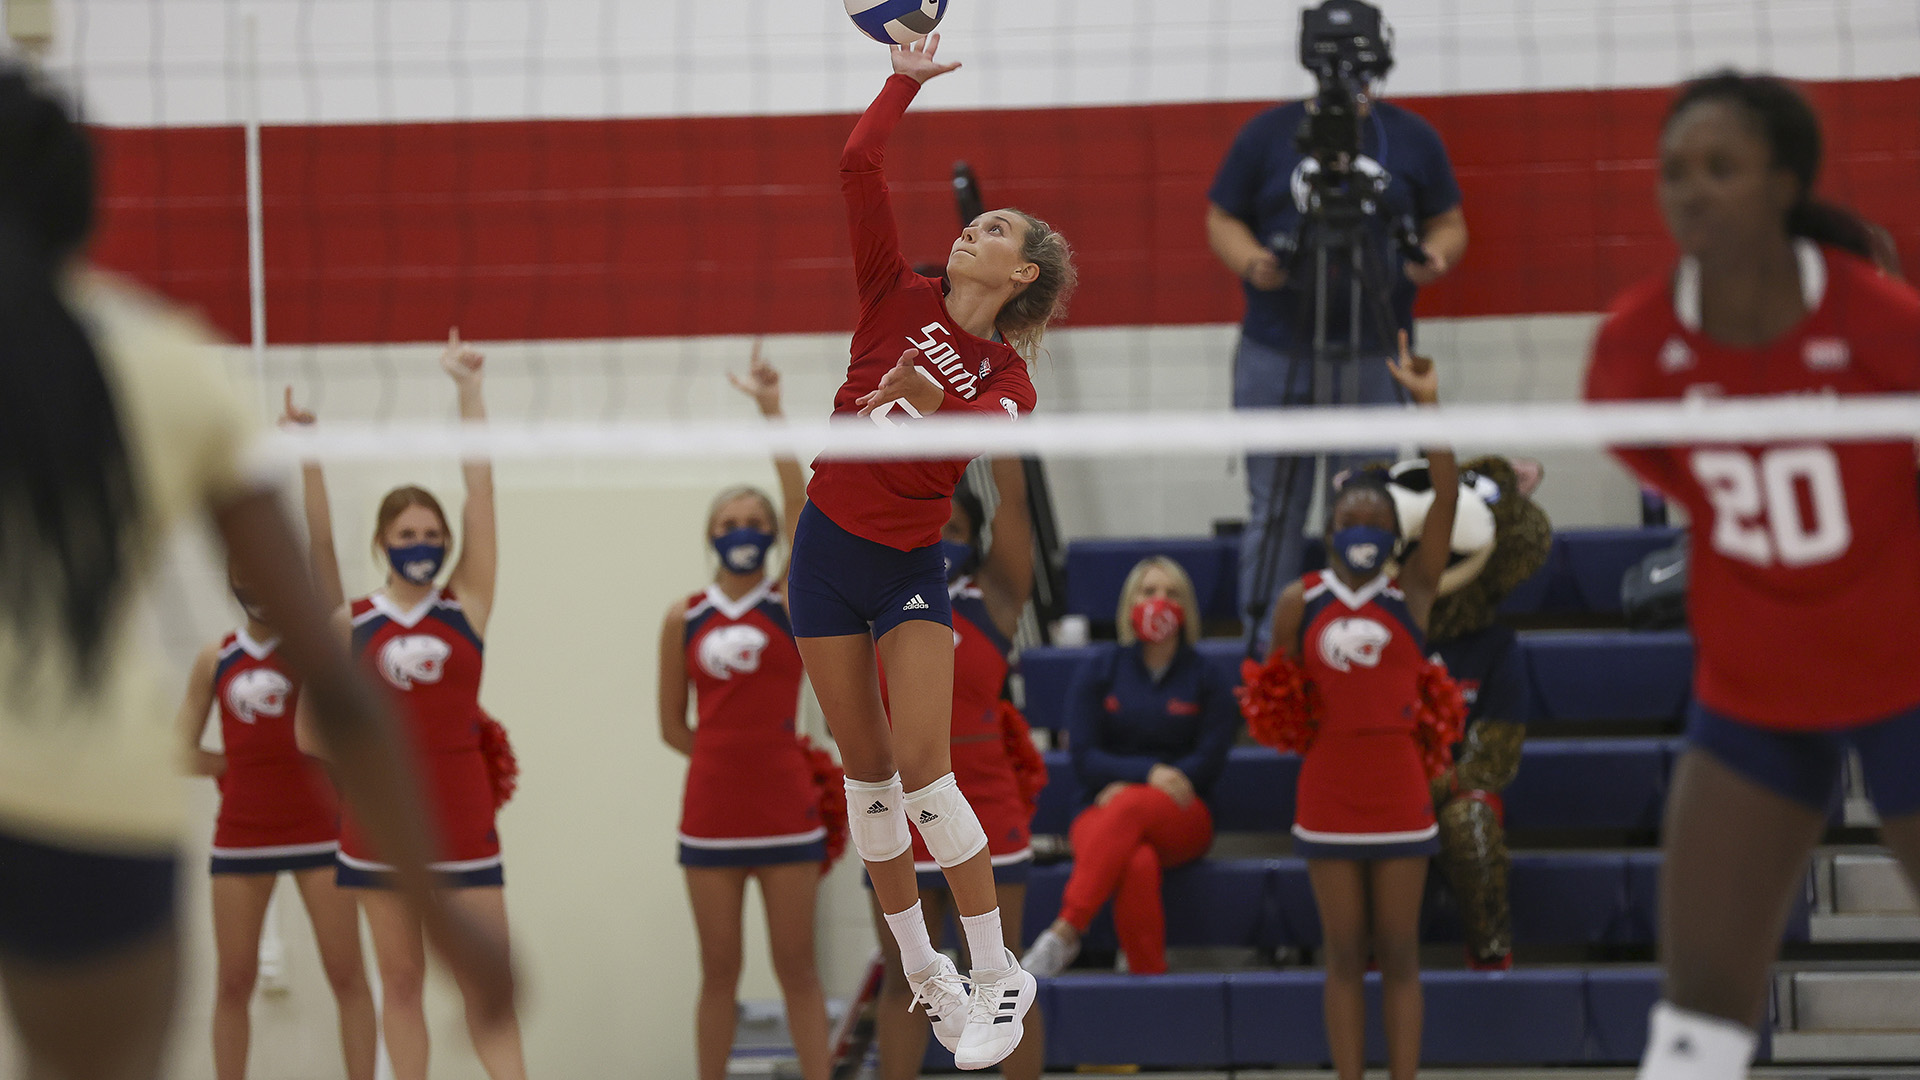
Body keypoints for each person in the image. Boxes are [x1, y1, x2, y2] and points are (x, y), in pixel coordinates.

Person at [0, 65, 510, 1080]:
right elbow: (334, 680)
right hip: (84, 798)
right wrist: (449, 921)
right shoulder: (169, 363)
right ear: (82, 206)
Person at [1583, 71, 1920, 1080]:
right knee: (1699, 1012)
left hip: (1903, 676)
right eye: (1675, 170)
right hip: (1755, 695)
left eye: (1721, 167)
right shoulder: (1635, 346)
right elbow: (1665, 469)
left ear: (1783, 183)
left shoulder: (1882, 323)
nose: (1691, 189)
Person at [787, 35, 1075, 1072]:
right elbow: (857, 165)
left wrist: (924, 396)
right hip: (824, 553)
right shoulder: (891, 291)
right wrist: (901, 81)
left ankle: (998, 972)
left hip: (907, 570)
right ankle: (925, 972)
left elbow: (980, 436)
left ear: (1020, 273)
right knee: (866, 782)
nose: (970, 229)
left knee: (925, 774)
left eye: (993, 228)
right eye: (974, 221)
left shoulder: (1008, 379)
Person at [1205, 0, 1468, 651]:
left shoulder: (1413, 137)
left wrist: (1436, 257)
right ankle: (1266, 656)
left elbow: (1448, 221)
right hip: (1277, 346)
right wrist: (1253, 261)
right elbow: (1222, 215)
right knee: (1275, 510)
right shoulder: (1267, 134)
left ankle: (1357, 643)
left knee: (1364, 506)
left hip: (1374, 350)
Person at [315, 329, 527, 1080]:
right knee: (400, 986)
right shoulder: (350, 623)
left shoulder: (467, 603)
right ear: (381, 542)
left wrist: (469, 393)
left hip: (462, 814)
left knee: (486, 992)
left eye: (433, 534)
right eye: (408, 534)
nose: (423, 543)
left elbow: (481, 494)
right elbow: (313, 734)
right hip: (381, 822)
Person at [1260, 334, 1454, 1080]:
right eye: (1352, 516)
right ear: (1332, 530)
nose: (1364, 526)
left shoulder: (1414, 592)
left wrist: (1428, 407)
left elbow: (1446, 497)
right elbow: (1274, 696)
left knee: (1401, 952)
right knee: (1342, 953)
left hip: (1401, 787)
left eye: (1377, 517)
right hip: (1329, 789)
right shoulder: (1299, 600)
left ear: (1394, 533)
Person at [176, 389, 374, 1080]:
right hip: (241, 835)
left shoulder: (316, 640)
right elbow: (178, 748)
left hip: (320, 829)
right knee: (232, 984)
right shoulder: (217, 657)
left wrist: (308, 451)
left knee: (347, 976)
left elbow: (319, 545)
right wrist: (227, 765)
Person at [660, 347, 833, 1080]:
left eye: (753, 520)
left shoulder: (788, 601)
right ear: (711, 536)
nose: (742, 530)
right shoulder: (684, 616)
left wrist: (772, 414)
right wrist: (723, 756)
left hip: (786, 805)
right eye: (729, 521)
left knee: (798, 969)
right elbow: (672, 725)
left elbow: (803, 513)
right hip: (711, 810)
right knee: (718, 973)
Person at [871, 459, 1048, 1080]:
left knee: (1003, 971)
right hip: (901, 806)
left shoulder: (992, 598)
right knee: (906, 977)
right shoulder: (877, 601)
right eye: (932, 527)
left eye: (956, 529)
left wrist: (1002, 434)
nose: (942, 539)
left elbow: (1016, 508)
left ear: (974, 539)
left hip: (986, 803)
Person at [1022, 557, 1238, 978]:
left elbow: (1209, 760)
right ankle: (1149, 982)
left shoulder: (1207, 676)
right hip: (1099, 808)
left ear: (1186, 608)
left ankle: (1067, 930)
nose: (1159, 601)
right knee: (1137, 861)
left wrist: (1142, 784)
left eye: (1171, 593)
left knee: (1132, 806)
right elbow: (1084, 756)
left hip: (1183, 811)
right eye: (1149, 591)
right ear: (1130, 603)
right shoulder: (1099, 670)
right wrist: (1149, 774)